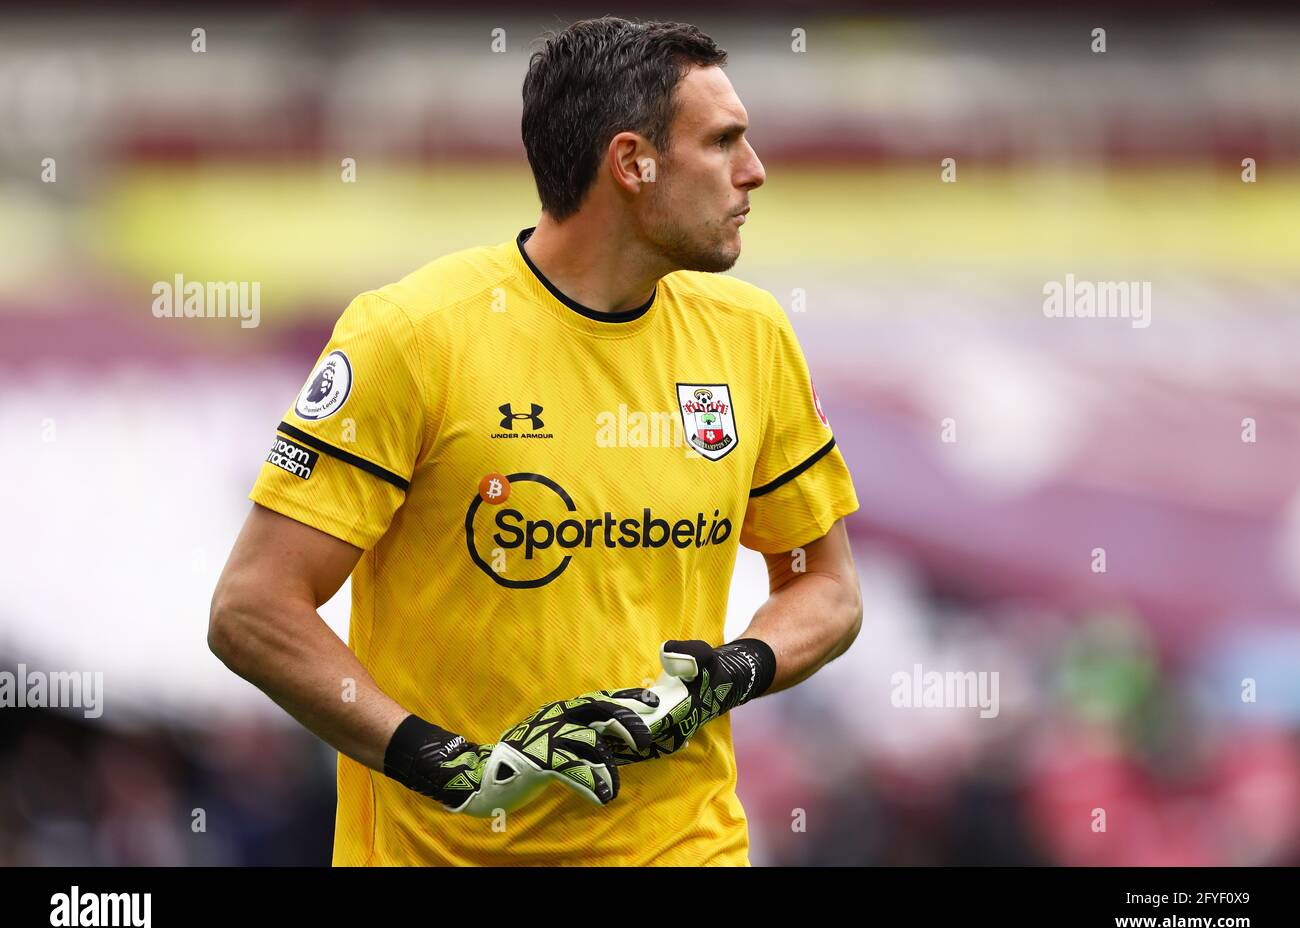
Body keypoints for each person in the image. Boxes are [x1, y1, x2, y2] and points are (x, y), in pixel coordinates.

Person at [209, 15, 862, 866]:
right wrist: (445, 764)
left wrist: (734, 669)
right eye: (724, 141)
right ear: (633, 163)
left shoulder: (750, 334)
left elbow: (827, 587)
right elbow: (253, 610)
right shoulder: (413, 337)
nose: (755, 171)